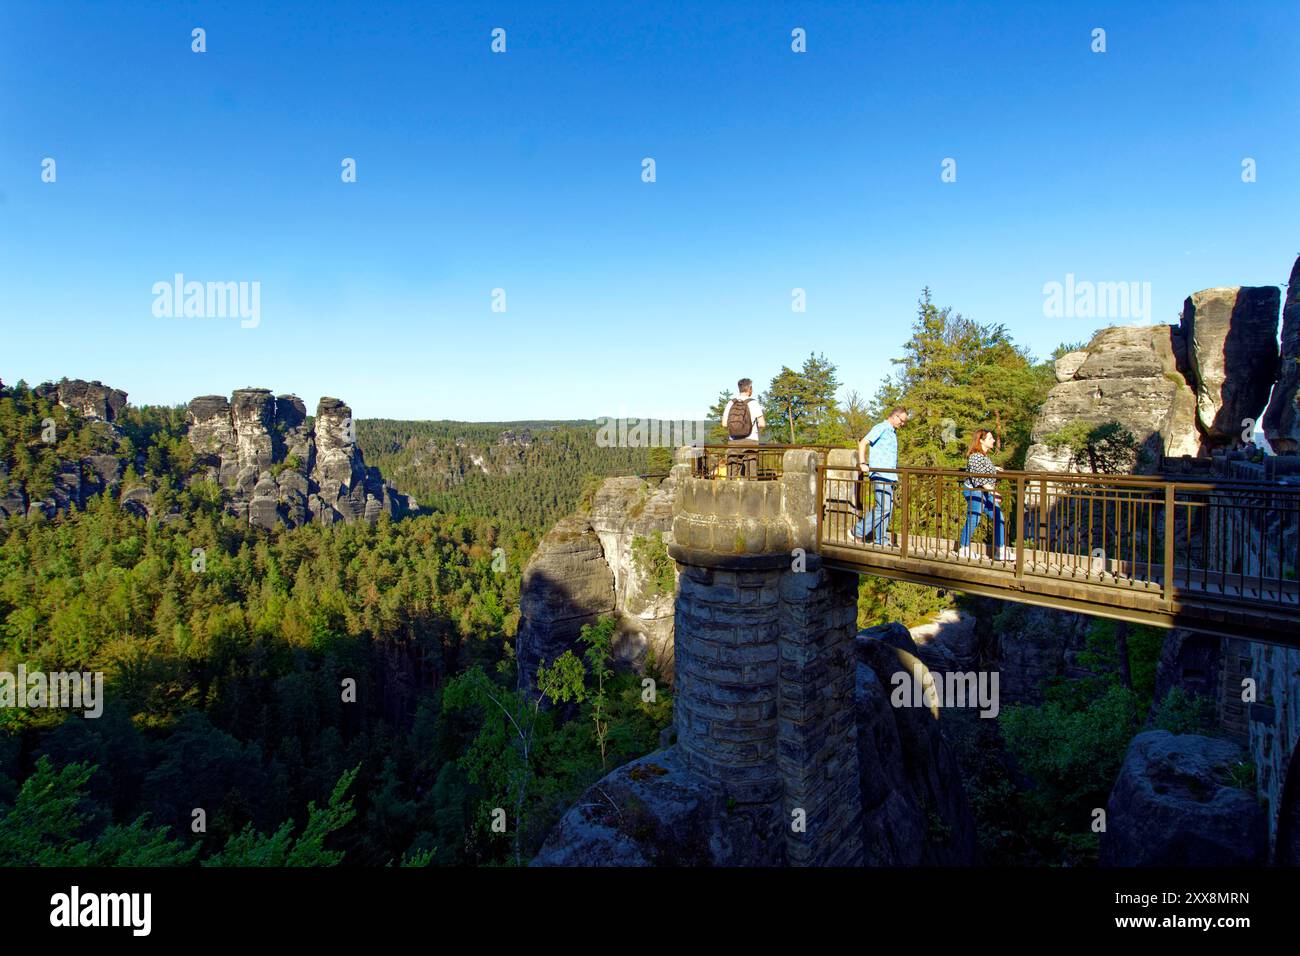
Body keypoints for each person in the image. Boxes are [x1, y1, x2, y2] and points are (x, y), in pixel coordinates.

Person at [853, 406, 908, 544]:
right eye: (902, 421)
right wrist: (862, 462)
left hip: (890, 476)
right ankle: (857, 531)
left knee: (886, 510)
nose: (903, 424)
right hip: (880, 474)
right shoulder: (881, 427)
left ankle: (881, 540)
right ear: (895, 416)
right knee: (883, 508)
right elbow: (863, 443)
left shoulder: (892, 432)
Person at [958, 428, 1012, 560]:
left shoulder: (983, 455)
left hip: (985, 491)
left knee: (999, 517)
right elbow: (979, 478)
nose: (993, 440)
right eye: (990, 438)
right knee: (974, 518)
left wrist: (994, 468)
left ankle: (1000, 551)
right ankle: (963, 549)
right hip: (975, 490)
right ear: (981, 440)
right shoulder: (975, 456)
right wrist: (995, 493)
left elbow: (982, 470)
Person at [722, 378, 766, 478]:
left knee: (731, 475)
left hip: (733, 442)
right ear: (749, 389)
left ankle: (729, 492)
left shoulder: (731, 403)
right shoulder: (753, 403)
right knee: (751, 475)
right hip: (750, 442)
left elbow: (724, 424)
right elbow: (762, 423)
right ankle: (750, 493)